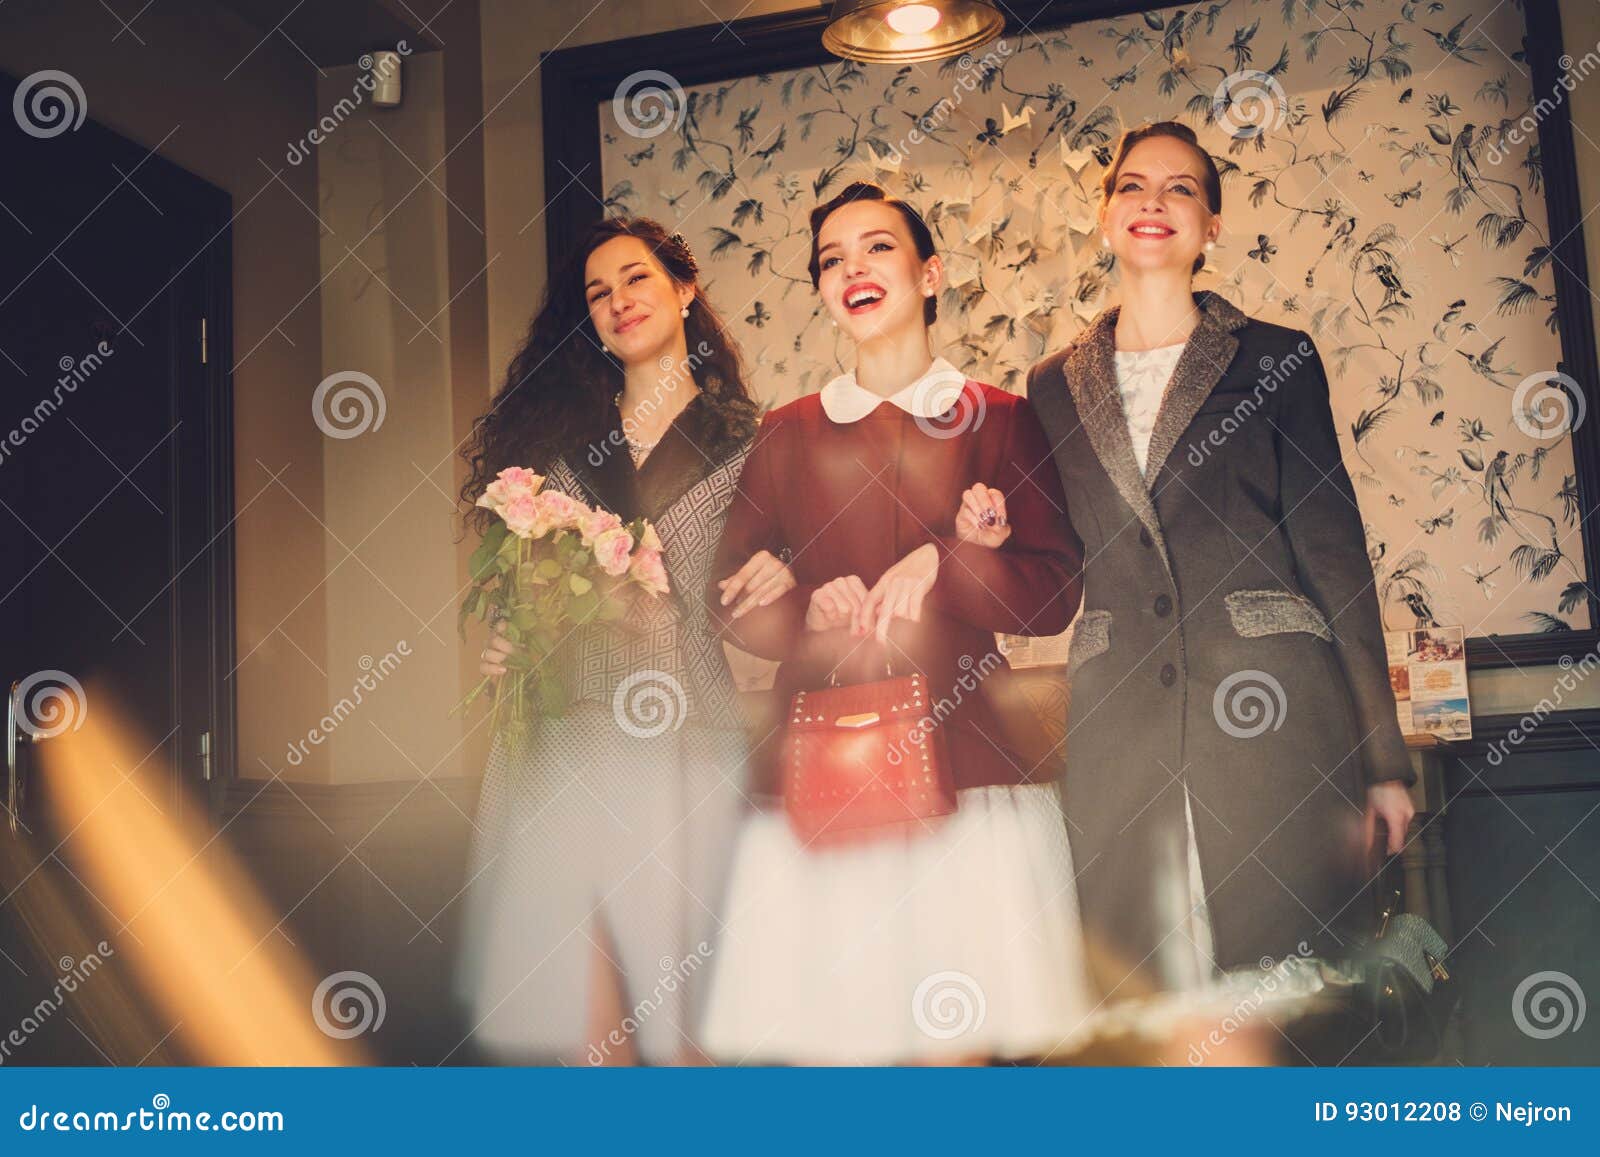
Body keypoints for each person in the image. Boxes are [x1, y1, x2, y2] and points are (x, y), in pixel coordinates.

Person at [696, 182, 1096, 1064]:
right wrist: (800, 605)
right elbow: (731, 597)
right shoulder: (787, 433)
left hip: (966, 767)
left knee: (957, 1060)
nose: (854, 269)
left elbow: (1053, 593)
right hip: (825, 773)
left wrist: (951, 562)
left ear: (930, 272)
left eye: (877, 248)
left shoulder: (1001, 417)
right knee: (846, 1059)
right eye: (832, 259)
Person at [1025, 121, 1416, 1000]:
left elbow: (1335, 556)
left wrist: (1384, 761)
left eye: (1181, 188)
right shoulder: (1050, 384)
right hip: (1120, 730)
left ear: (1211, 227)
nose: (1153, 201)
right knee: (1147, 1003)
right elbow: (1051, 559)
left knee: (1285, 998)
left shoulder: (1276, 360)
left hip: (1274, 725)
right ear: (1104, 216)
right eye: (1131, 185)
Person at [454, 218, 792, 1064]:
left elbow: (784, 601)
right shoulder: (554, 452)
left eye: (636, 279)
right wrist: (509, 642)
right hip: (572, 738)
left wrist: (780, 584)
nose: (618, 301)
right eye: (598, 294)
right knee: (588, 1014)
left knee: (688, 1016)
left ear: (683, 292)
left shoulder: (755, 443)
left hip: (695, 737)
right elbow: (531, 600)